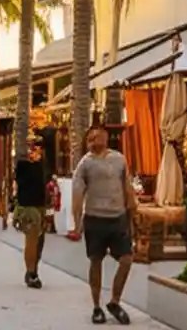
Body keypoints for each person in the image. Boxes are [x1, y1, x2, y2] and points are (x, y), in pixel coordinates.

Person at [72, 125, 137, 325]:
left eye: (95, 137)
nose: (91, 141)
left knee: (126, 260)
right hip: (94, 219)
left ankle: (115, 301)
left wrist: (132, 214)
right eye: (89, 139)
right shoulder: (85, 164)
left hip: (117, 218)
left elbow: (127, 187)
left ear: (105, 138)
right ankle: (96, 306)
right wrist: (77, 222)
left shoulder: (119, 159)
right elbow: (77, 194)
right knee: (96, 261)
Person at [14, 139, 49, 289]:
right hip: (28, 205)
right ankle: (31, 272)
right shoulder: (22, 165)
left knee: (39, 241)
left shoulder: (43, 166)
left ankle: (34, 269)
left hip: (40, 205)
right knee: (32, 238)